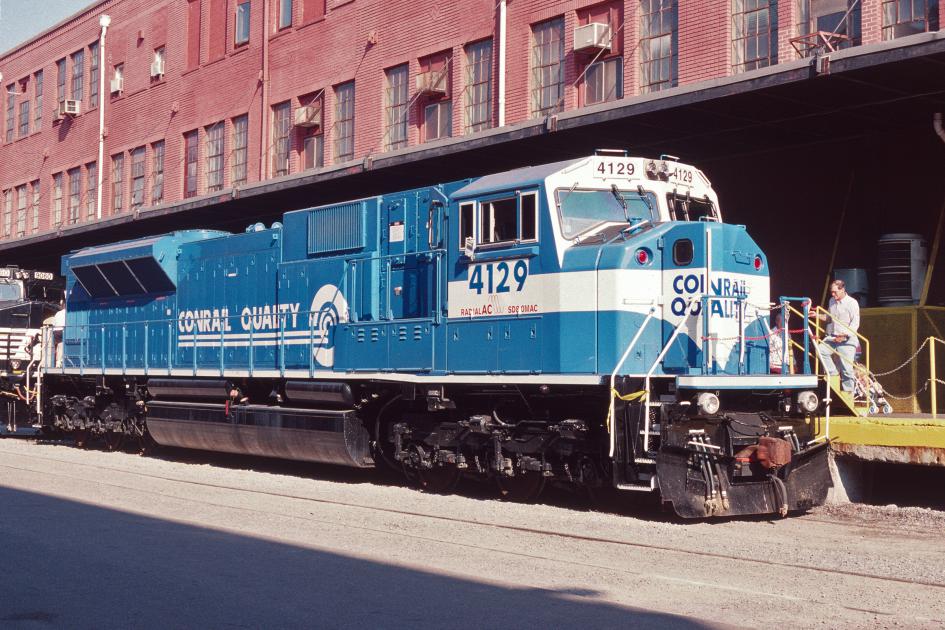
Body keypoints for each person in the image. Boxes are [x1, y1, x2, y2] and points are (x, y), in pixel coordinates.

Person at [812, 279, 860, 393]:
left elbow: (855, 323)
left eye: (835, 292)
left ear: (842, 289)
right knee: (820, 351)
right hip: (833, 337)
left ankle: (849, 393)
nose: (833, 294)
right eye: (831, 292)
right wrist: (816, 315)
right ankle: (833, 374)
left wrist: (845, 335)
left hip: (847, 339)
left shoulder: (852, 303)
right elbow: (829, 318)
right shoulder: (831, 301)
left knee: (847, 369)